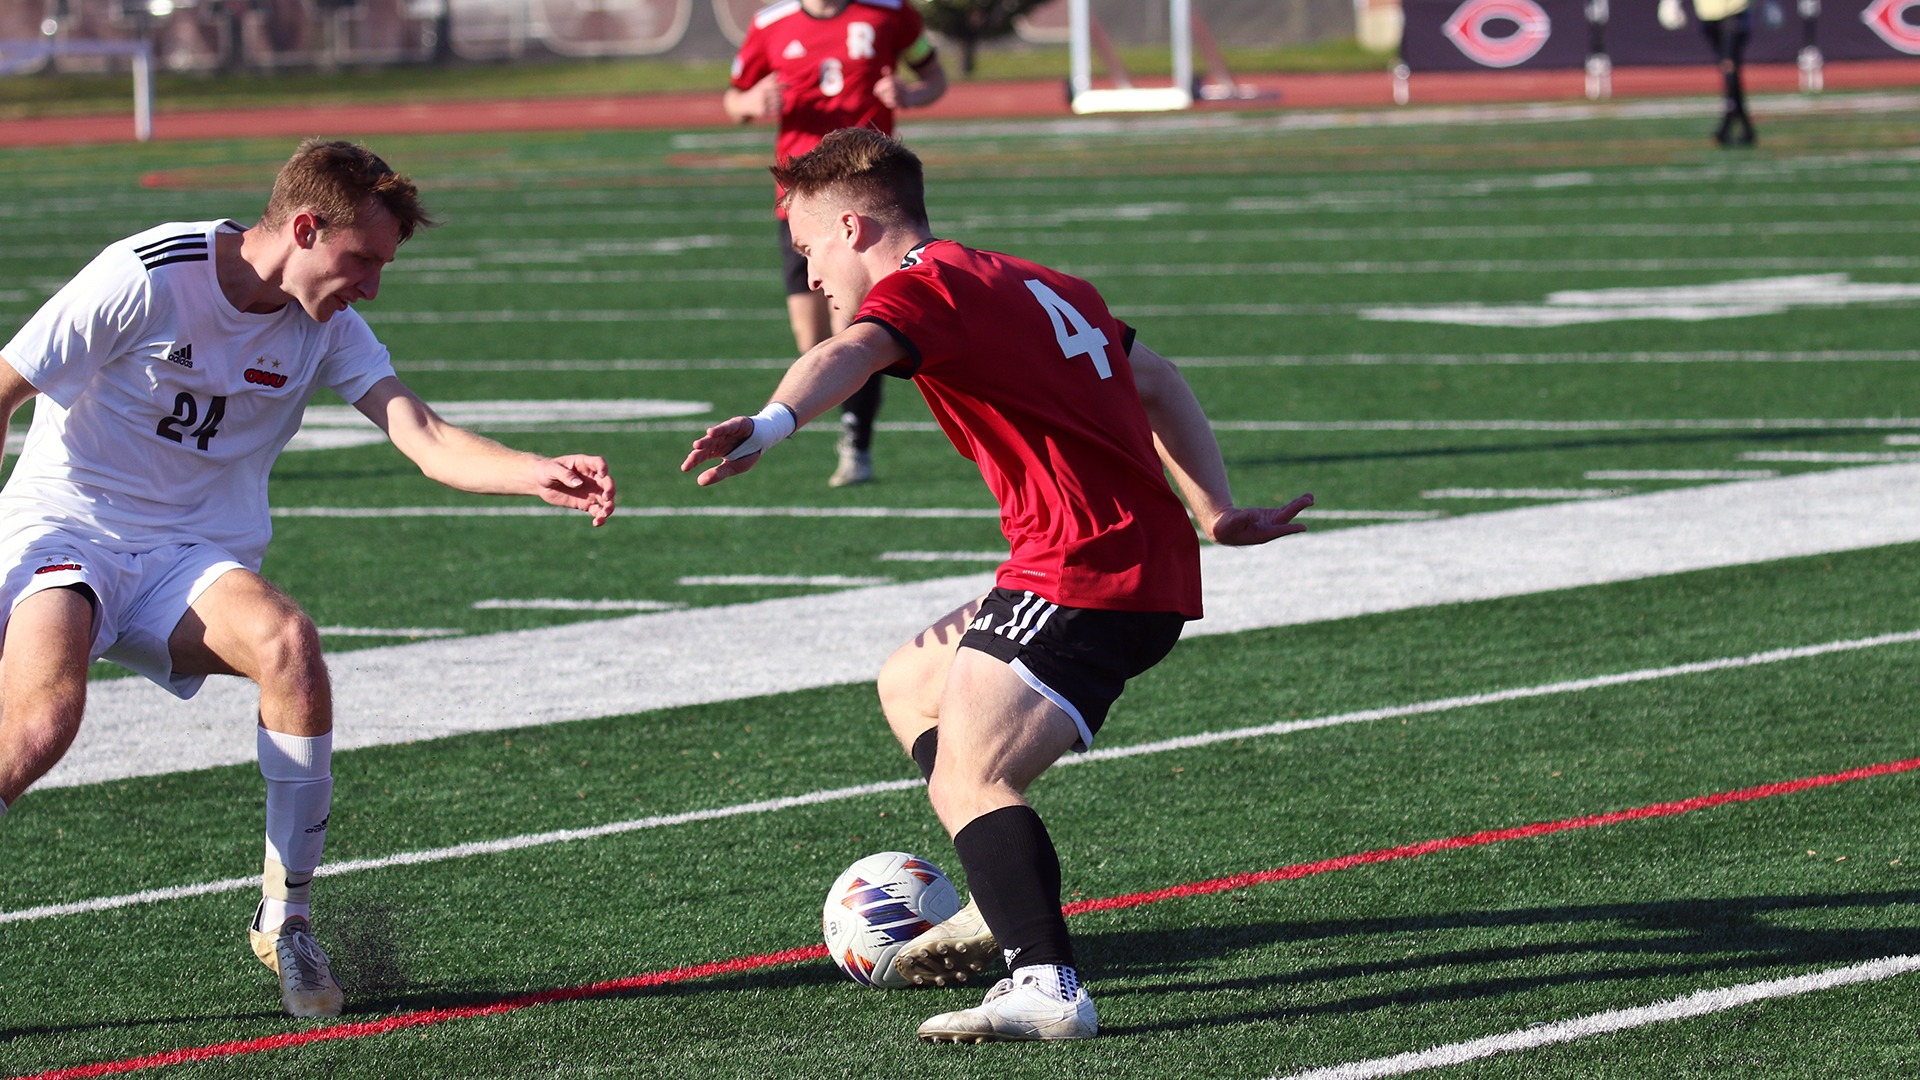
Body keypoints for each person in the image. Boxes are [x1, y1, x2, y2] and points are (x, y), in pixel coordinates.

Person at [681, 128, 1313, 1043]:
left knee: (972, 776)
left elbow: (844, 357)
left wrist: (774, 422)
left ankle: (1044, 982)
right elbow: (1160, 380)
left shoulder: (921, 290)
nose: (809, 274)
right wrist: (1214, 511)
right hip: (1131, 562)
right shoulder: (1043, 282)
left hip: (1083, 566)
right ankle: (1002, 898)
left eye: (808, 247)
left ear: (853, 227)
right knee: (910, 682)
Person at [0, 139, 615, 1019]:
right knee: (42, 720)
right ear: (303, 226)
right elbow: (4, 389)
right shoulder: (146, 274)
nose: (370, 285)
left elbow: (424, 434)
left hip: (187, 558)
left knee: (289, 644)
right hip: (67, 529)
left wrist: (535, 472)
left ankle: (285, 919)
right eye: (361, 259)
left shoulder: (325, 328)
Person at [722, 0, 947, 487]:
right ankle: (815, 424)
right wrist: (750, 103)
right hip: (800, 206)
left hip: (864, 203)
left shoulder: (890, 13)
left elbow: (935, 78)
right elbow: (733, 99)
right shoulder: (769, 25)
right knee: (812, 342)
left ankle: (857, 443)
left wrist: (910, 92)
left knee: (854, 329)